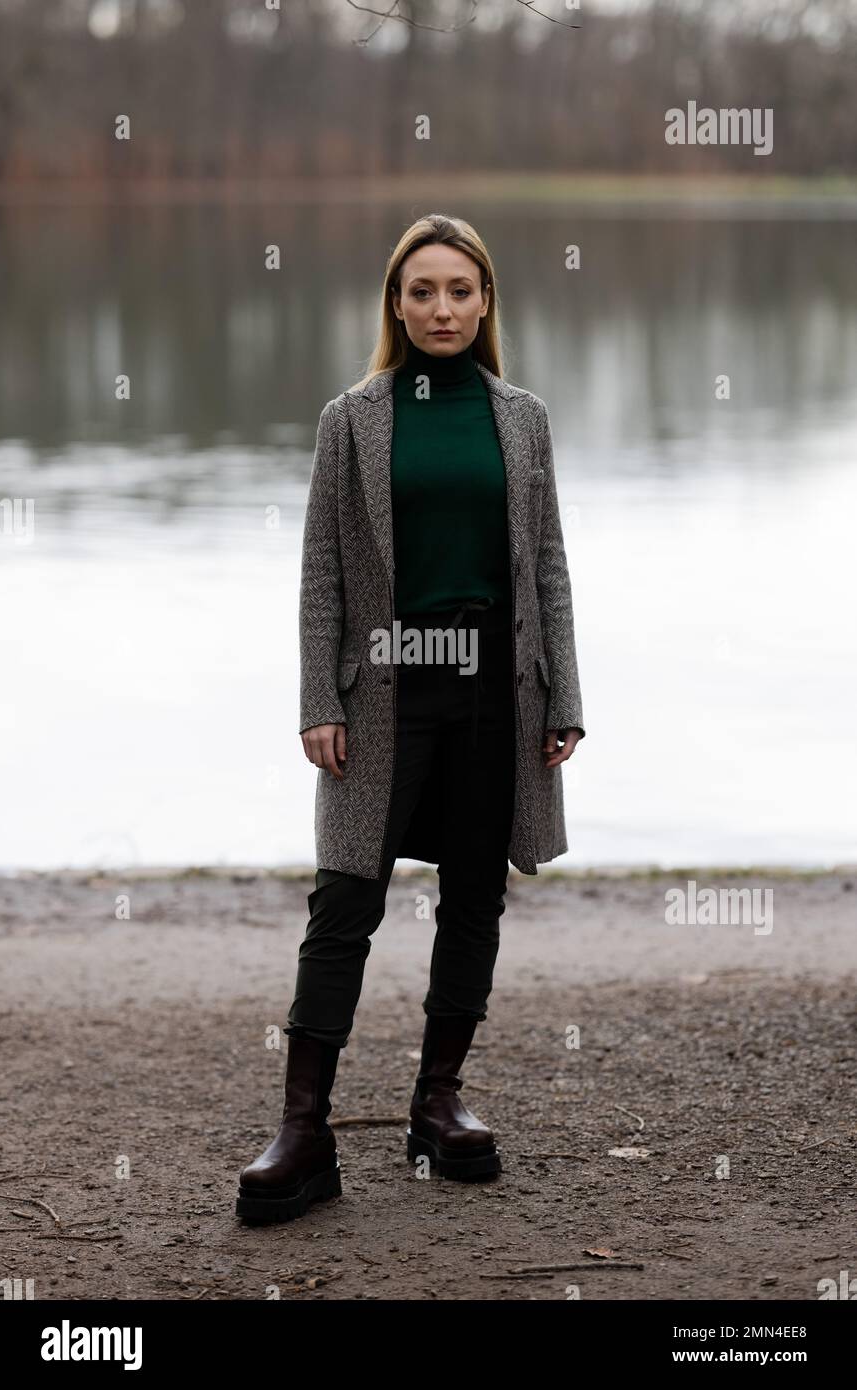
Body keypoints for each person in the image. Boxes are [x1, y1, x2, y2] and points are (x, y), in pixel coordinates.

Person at [236, 212, 585, 1224]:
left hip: (493, 687)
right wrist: (316, 700)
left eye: (459, 291)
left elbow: (549, 567)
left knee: (474, 894)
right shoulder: (353, 417)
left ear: (485, 304)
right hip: (383, 688)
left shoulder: (518, 416)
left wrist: (563, 691)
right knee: (344, 899)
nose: (441, 308)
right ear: (395, 302)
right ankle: (303, 1132)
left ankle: (438, 1103)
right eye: (421, 291)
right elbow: (320, 576)